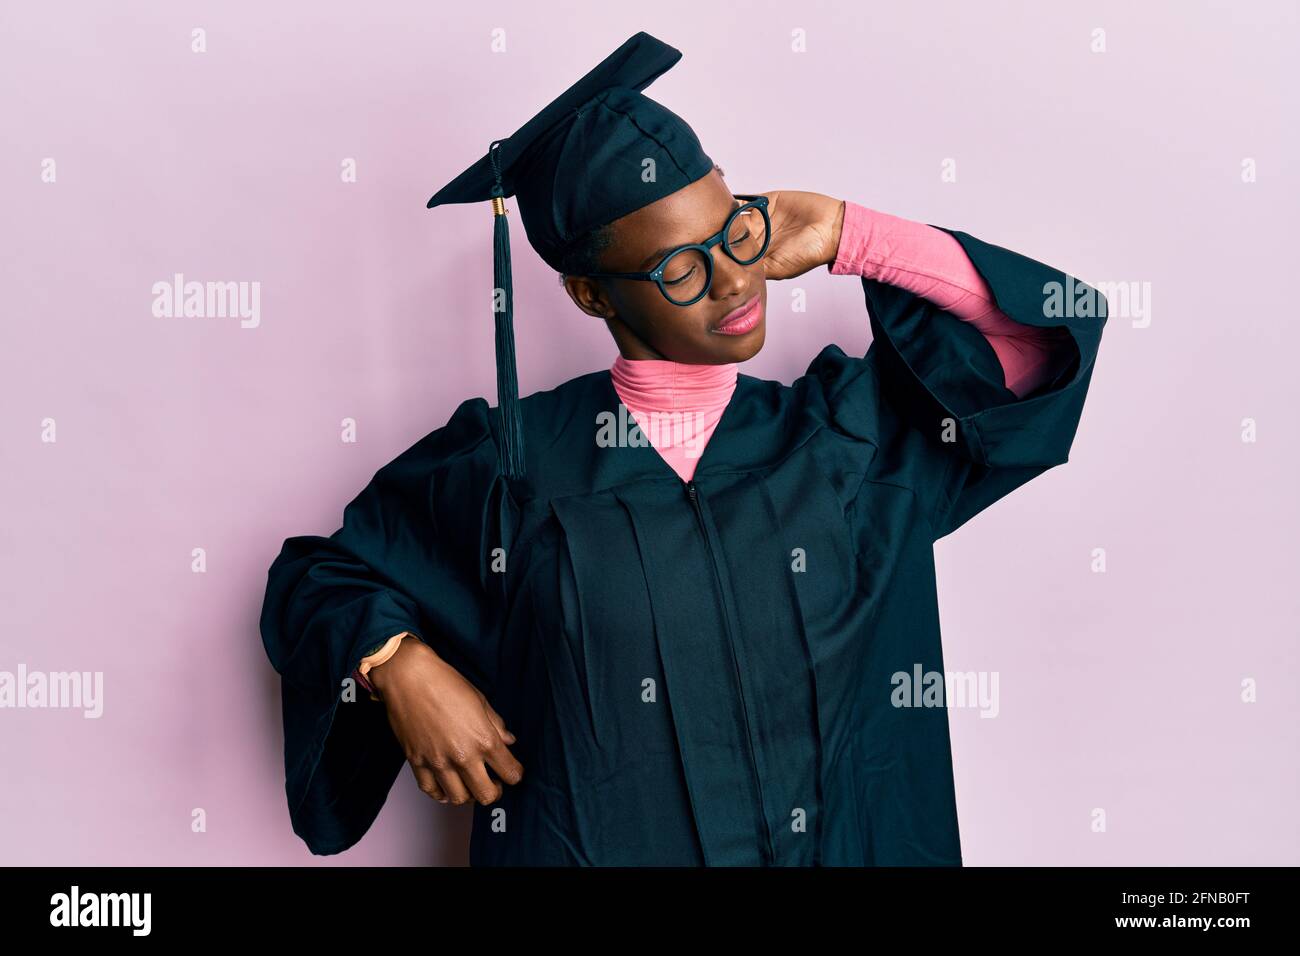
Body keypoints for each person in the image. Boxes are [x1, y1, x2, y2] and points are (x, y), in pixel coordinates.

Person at [260, 31, 1107, 865]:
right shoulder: (510, 467)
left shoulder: (846, 437)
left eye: (734, 233)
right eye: (680, 269)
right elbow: (319, 578)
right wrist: (395, 663)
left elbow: (1044, 341)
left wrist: (851, 233)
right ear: (592, 295)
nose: (736, 280)